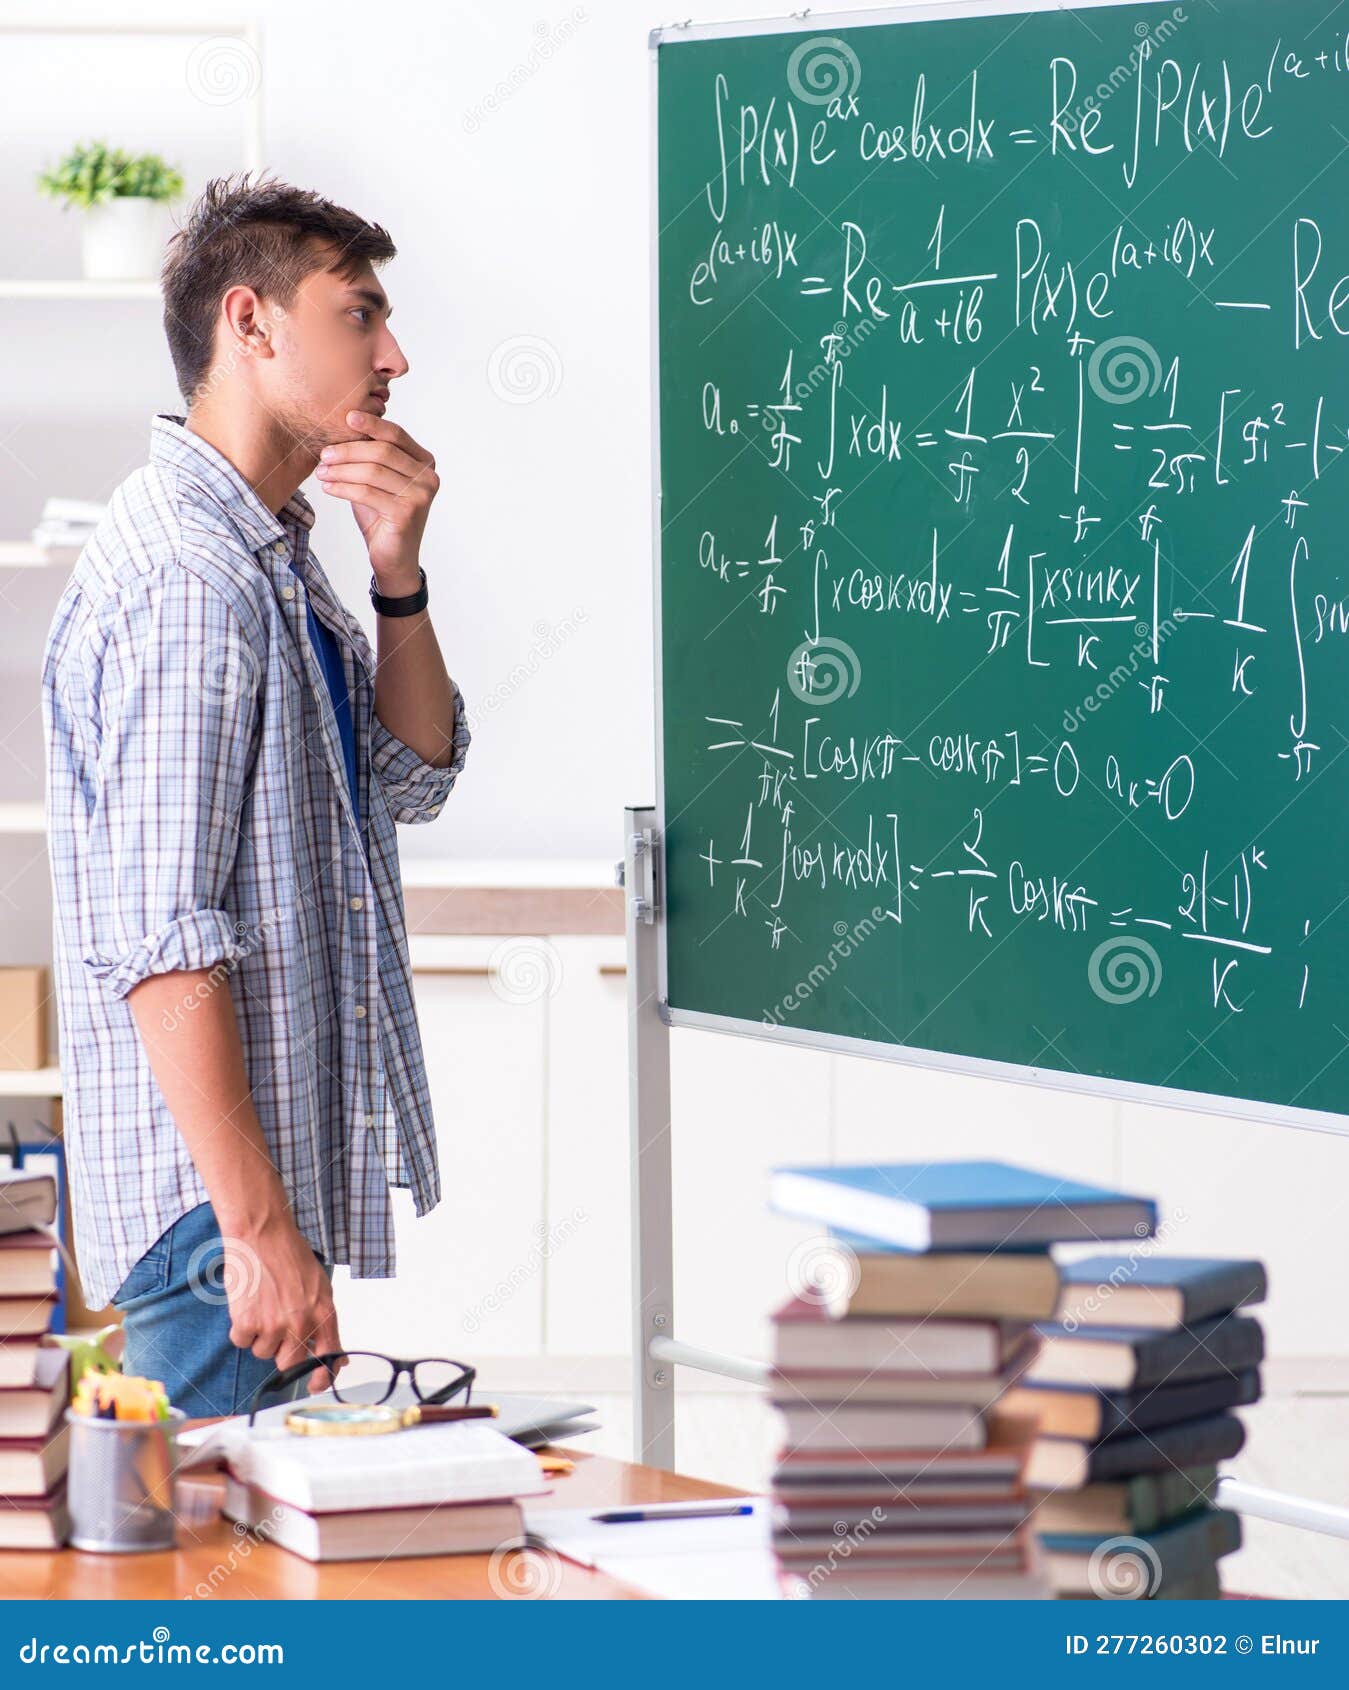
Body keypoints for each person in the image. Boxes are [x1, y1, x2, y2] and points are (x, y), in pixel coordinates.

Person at [41, 174, 470, 1417]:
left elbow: (410, 776)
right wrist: (257, 1228)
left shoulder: (269, 550)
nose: (394, 355)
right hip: (212, 1227)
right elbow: (165, 940)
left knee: (248, 1572)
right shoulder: (191, 577)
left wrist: (399, 578)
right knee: (200, 1596)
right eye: (360, 315)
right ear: (252, 321)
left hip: (231, 1208)